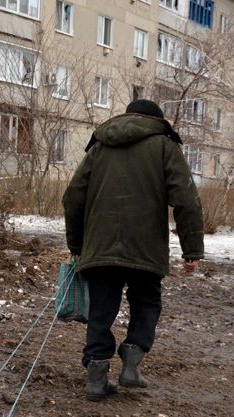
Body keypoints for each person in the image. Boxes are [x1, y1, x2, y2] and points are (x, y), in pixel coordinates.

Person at [62, 99, 204, 401]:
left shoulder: (99, 146)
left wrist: (77, 245)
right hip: (146, 247)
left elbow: (73, 196)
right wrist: (191, 249)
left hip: (100, 247)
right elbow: (187, 201)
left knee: (100, 310)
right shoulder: (165, 146)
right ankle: (132, 362)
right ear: (157, 121)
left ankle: (96, 380)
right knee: (146, 304)